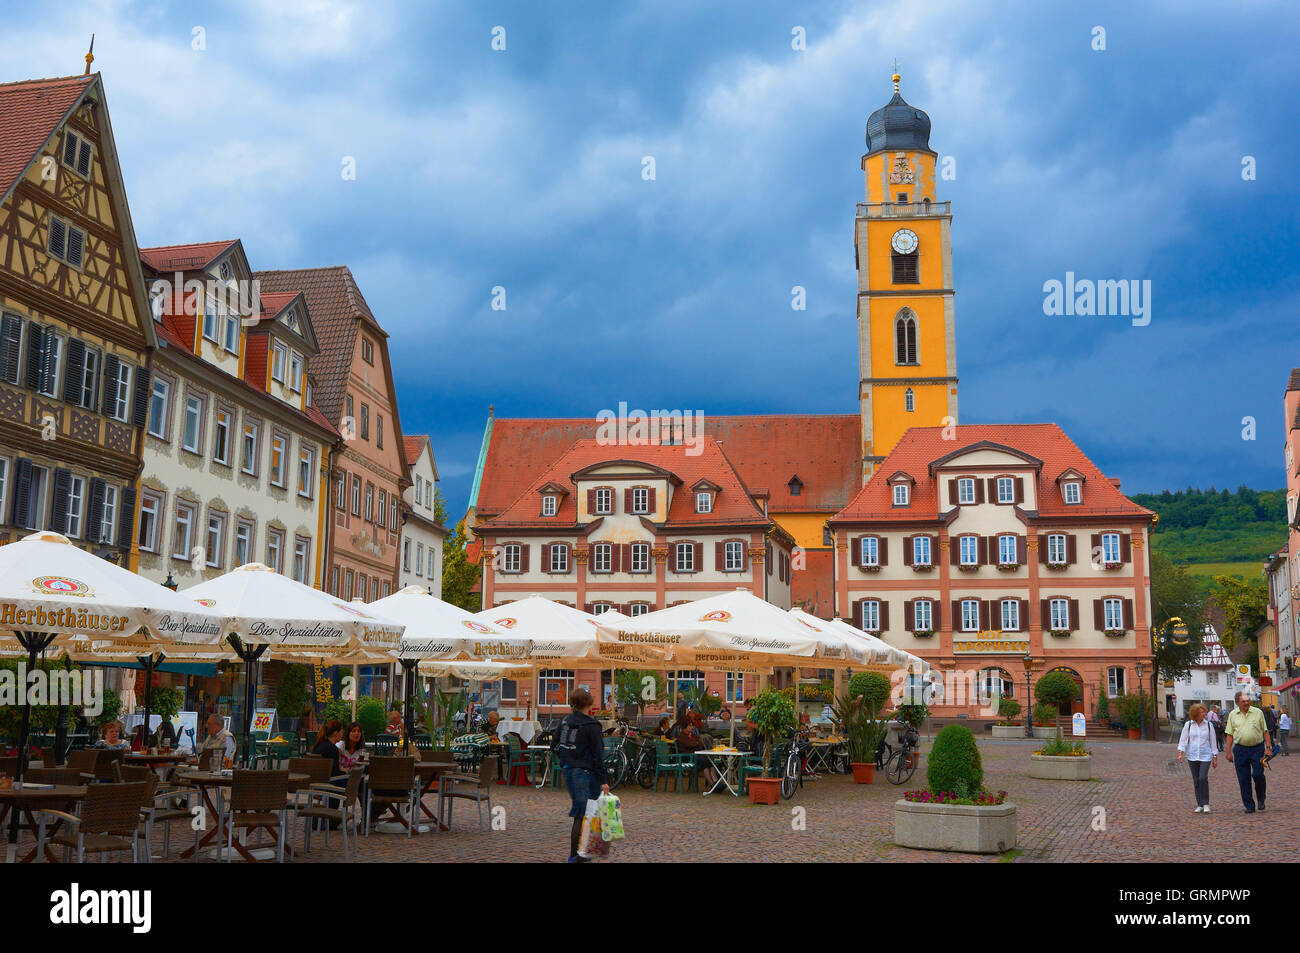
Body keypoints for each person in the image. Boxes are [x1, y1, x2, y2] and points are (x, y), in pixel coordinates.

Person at [550, 688, 608, 863]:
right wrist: (604, 779)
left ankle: (582, 853)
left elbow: (554, 745)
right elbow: (598, 755)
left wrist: (567, 757)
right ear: (589, 704)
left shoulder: (565, 721)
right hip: (584, 772)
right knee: (582, 813)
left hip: (569, 770)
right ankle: (576, 855)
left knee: (584, 812)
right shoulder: (591, 725)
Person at [1224, 691, 1269, 813]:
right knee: (1244, 779)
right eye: (1243, 701)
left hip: (1257, 749)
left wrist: (1268, 747)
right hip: (1240, 750)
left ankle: (1261, 798)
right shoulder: (1233, 715)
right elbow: (1229, 734)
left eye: (1248, 700)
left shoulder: (1258, 712)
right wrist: (1228, 751)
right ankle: (1249, 805)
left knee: (1258, 774)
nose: (1246, 702)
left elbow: (1265, 731)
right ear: (1237, 702)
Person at [1176, 704, 1218, 813]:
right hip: (1192, 755)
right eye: (1201, 712)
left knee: (1203, 777)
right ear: (1195, 714)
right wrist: (1181, 753)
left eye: (1204, 711)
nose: (1204, 714)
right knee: (1196, 780)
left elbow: (1213, 742)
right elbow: (1183, 740)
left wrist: (1215, 756)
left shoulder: (1209, 725)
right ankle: (1199, 804)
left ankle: (1206, 803)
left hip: (1205, 755)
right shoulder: (1188, 725)